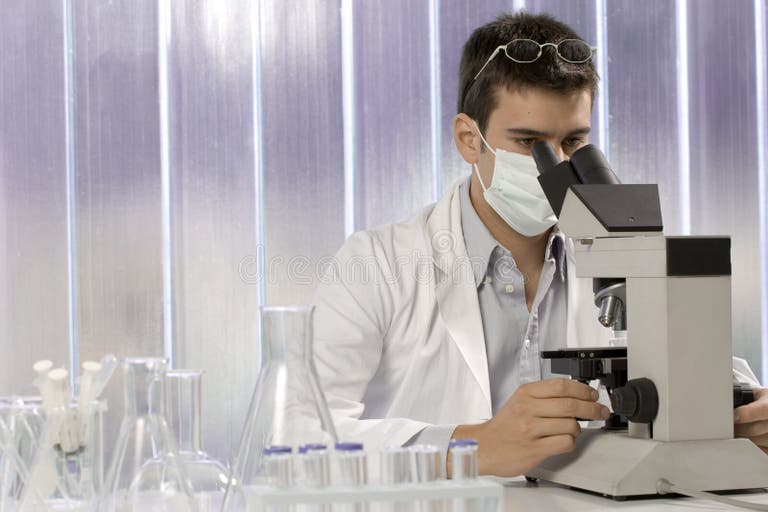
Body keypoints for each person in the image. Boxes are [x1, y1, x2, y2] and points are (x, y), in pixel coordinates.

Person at [312, 11, 767, 477]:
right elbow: (298, 434)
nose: (557, 165)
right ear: (470, 139)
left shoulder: (623, 255)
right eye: (530, 142)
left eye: (573, 142)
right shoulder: (376, 263)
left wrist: (750, 420)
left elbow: (714, 378)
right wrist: (469, 448)